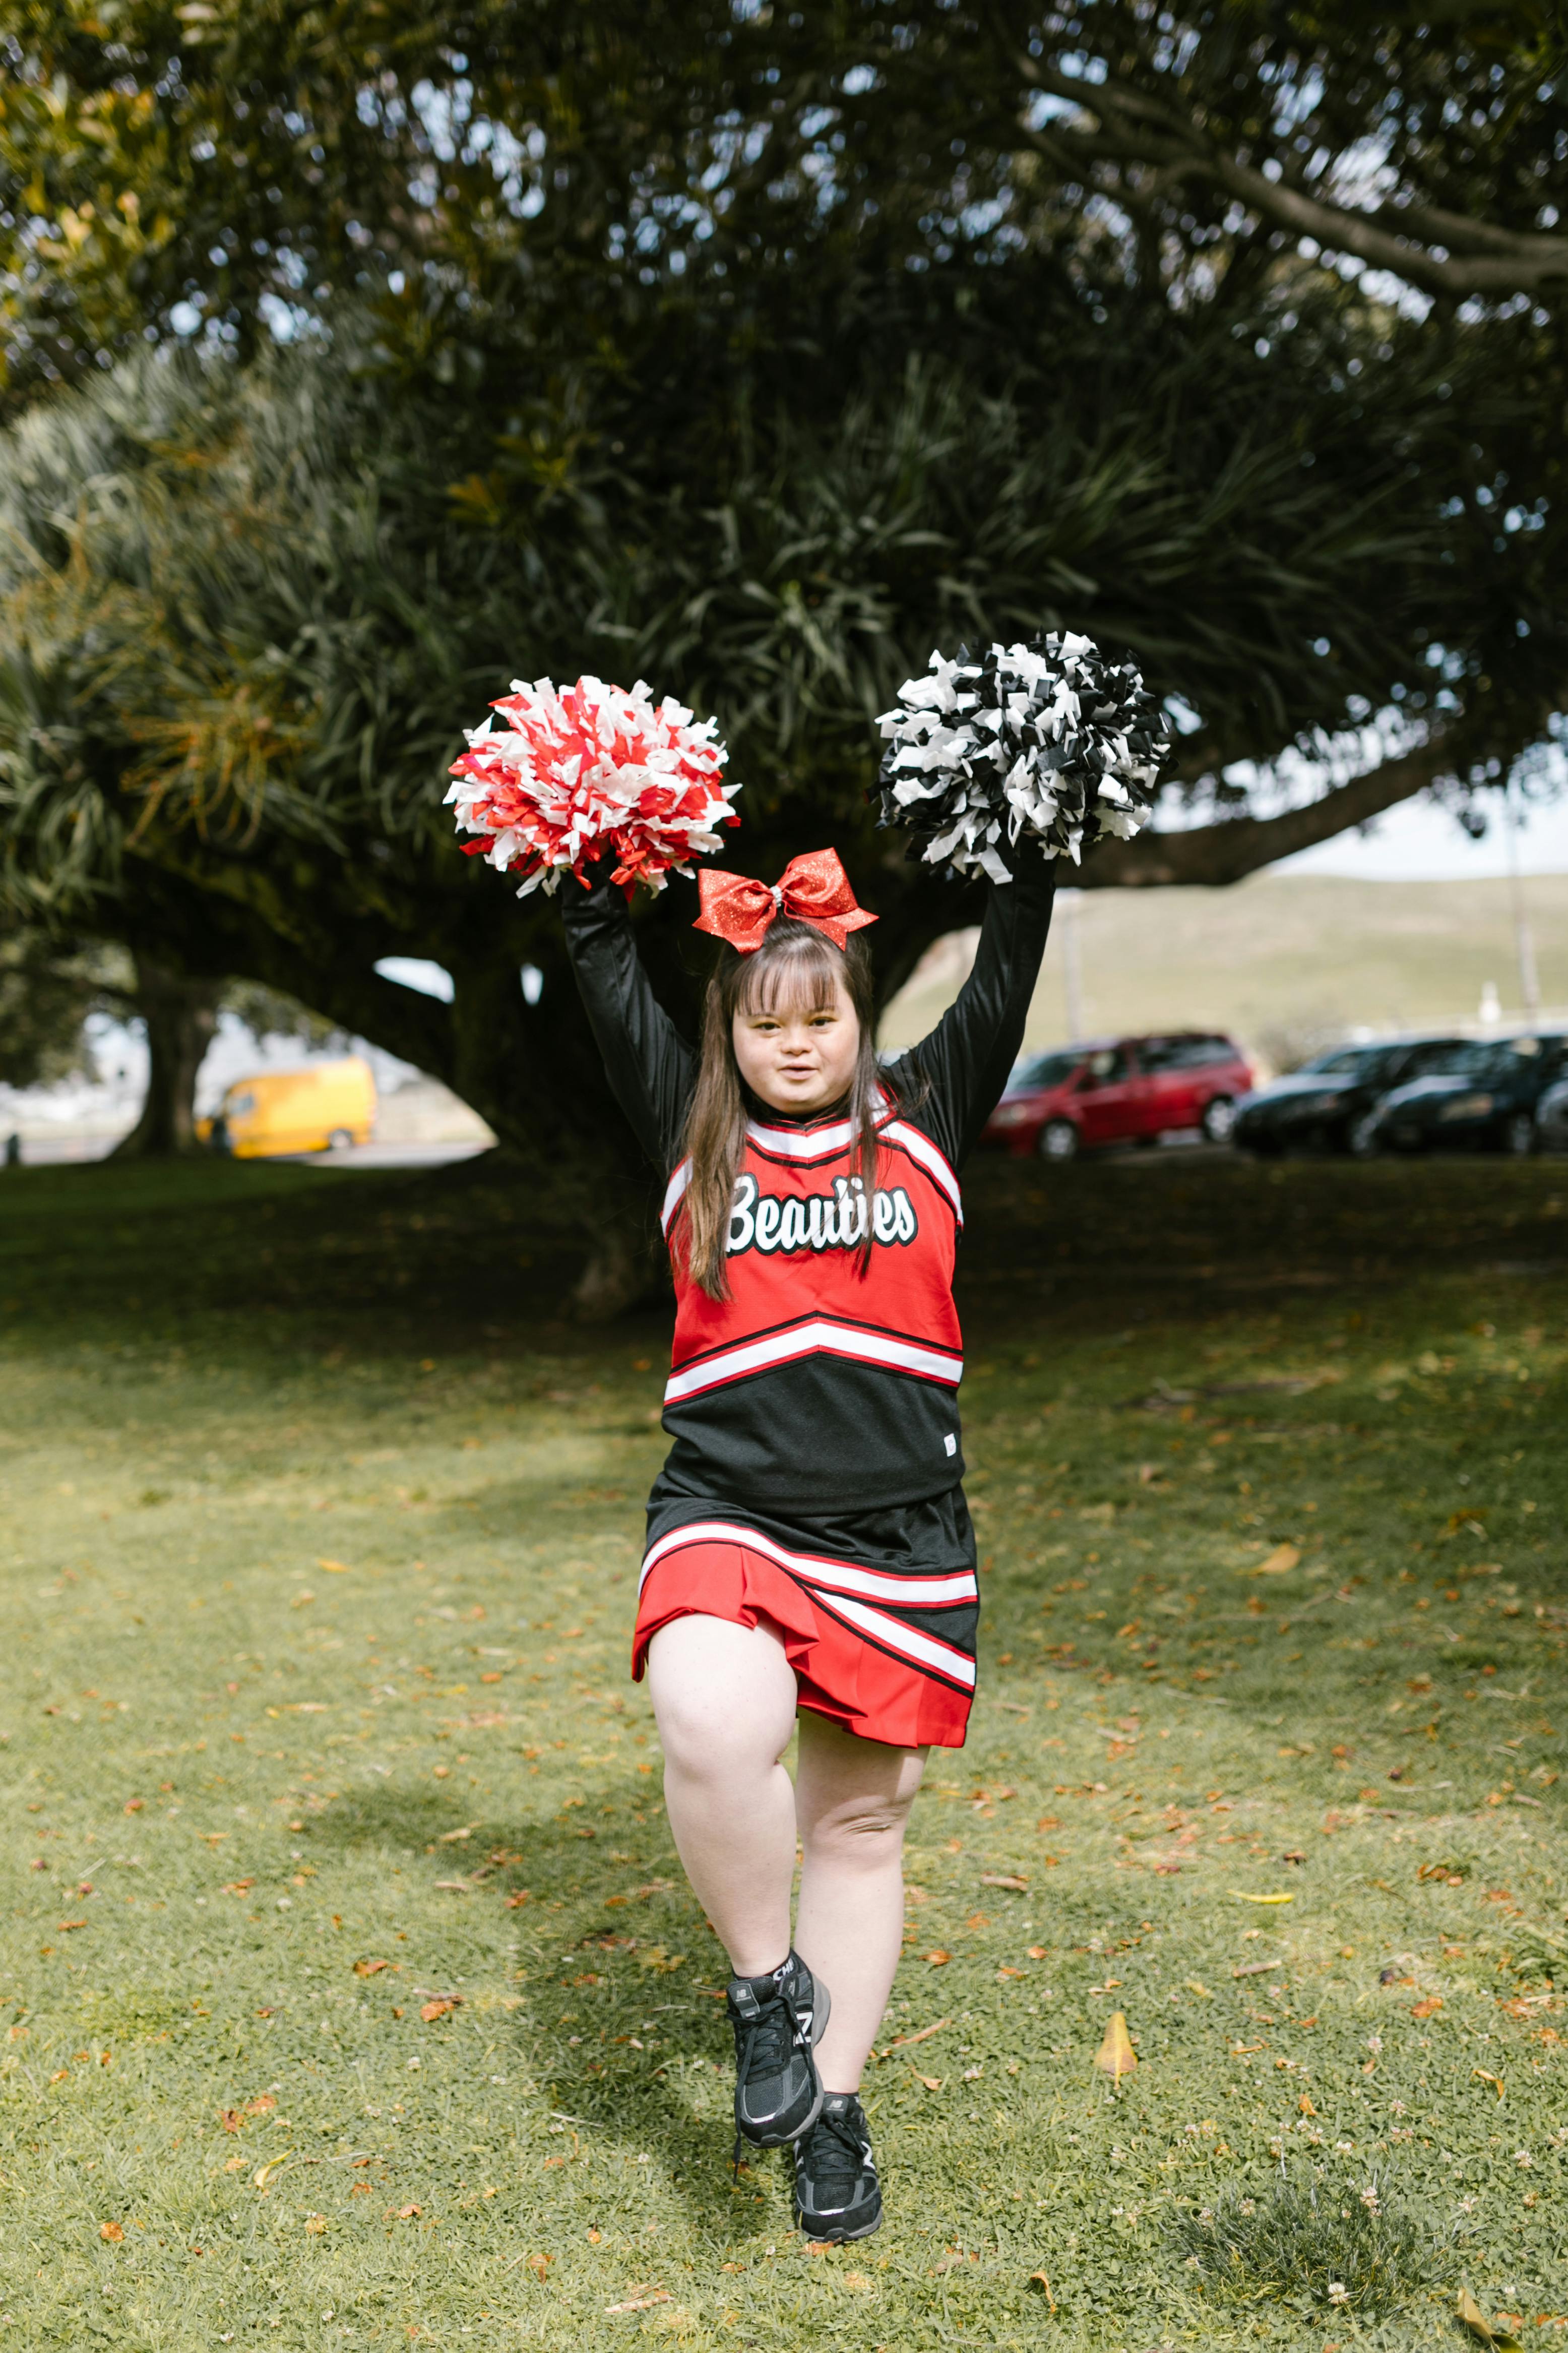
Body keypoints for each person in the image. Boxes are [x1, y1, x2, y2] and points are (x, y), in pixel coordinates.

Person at [563, 842, 1054, 2242]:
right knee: (711, 1722)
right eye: (766, 1022)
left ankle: (829, 2110)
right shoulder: (689, 1128)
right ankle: (764, 1987)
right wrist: (586, 863)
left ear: (862, 1017)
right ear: (728, 1031)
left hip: (902, 1535)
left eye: (821, 1017)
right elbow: (605, 978)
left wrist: (1033, 839)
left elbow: (1010, 959)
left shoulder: (931, 1112)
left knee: (857, 1820)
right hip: (729, 1507)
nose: (795, 1044)